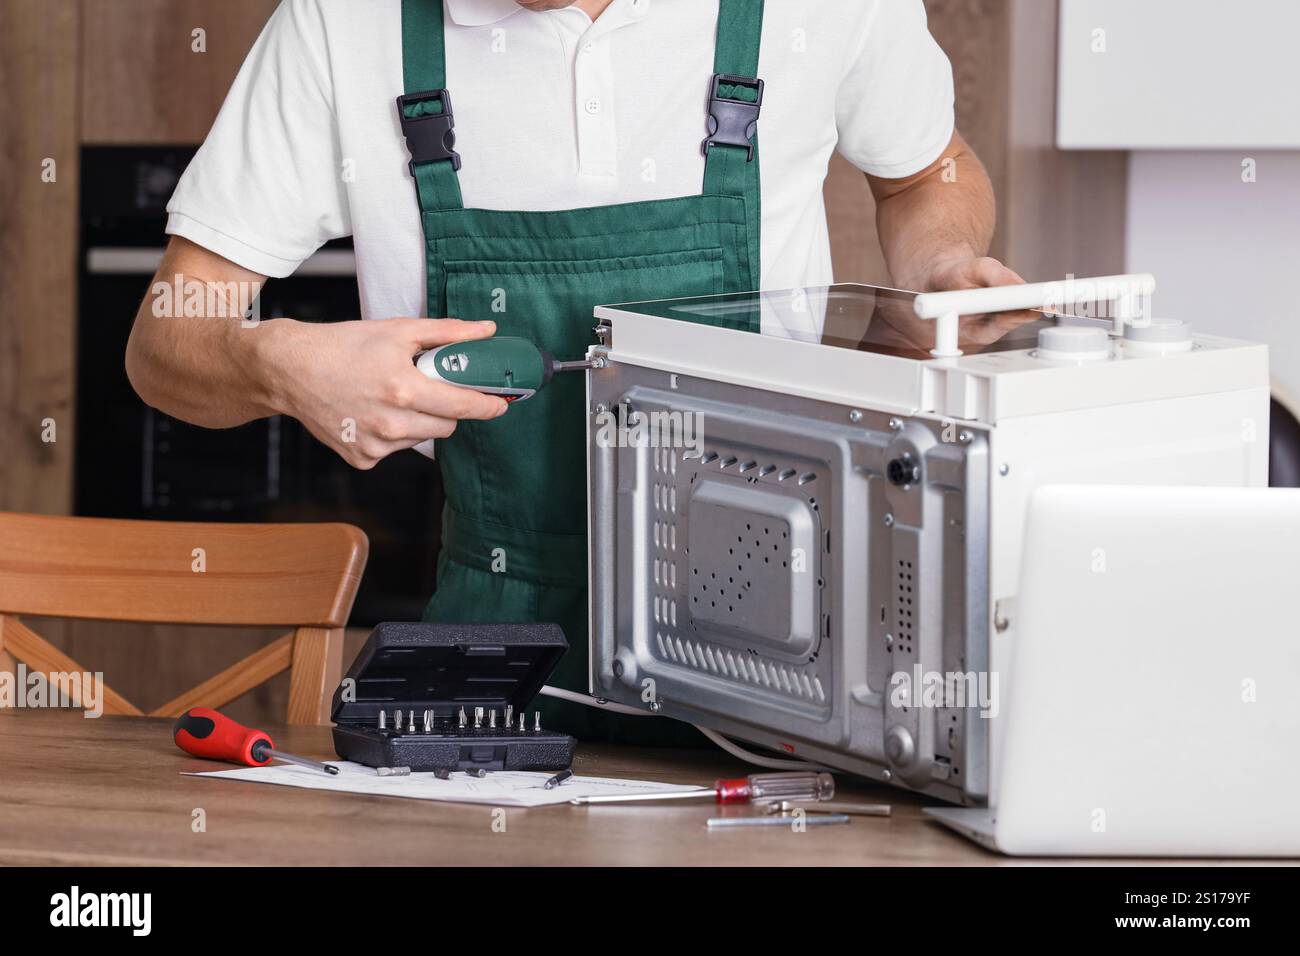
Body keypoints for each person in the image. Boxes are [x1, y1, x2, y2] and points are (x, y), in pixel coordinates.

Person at [126, 0, 1023, 740]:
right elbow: (166, 337)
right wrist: (280, 361)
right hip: (493, 632)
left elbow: (926, 171)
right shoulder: (340, 24)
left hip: (788, 653)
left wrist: (941, 267)